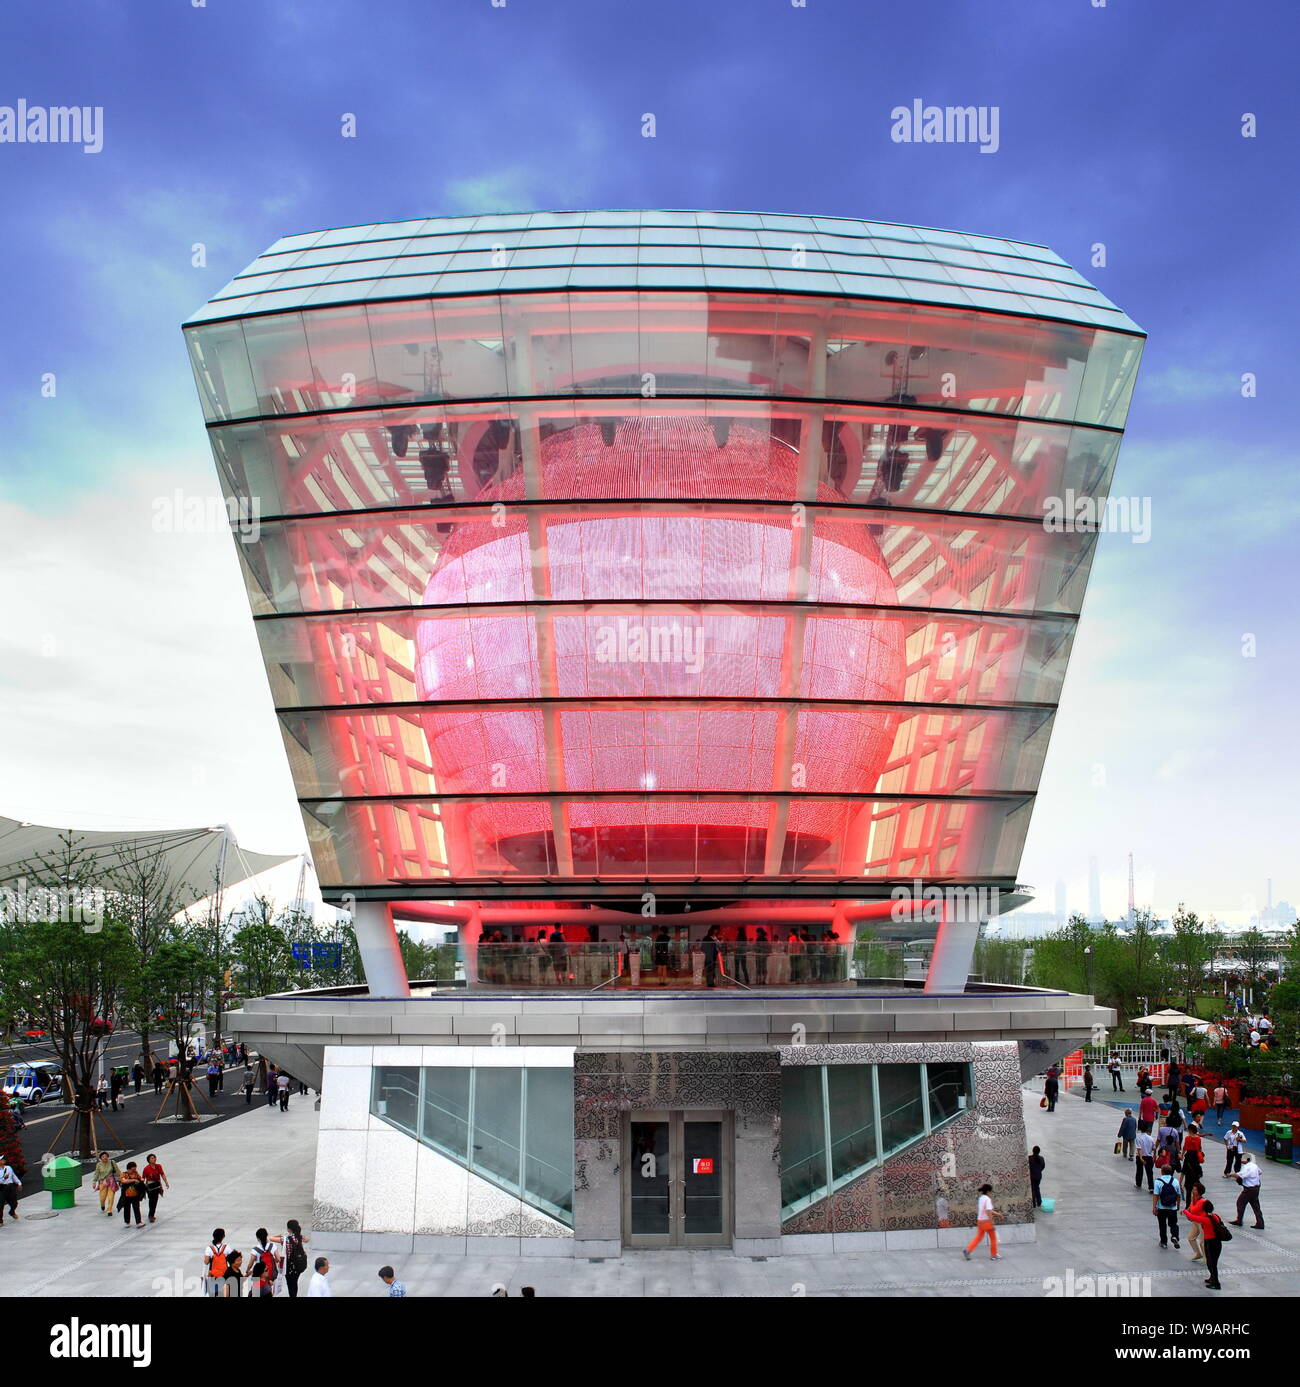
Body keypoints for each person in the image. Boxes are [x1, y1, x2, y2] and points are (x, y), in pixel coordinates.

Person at [1182, 1198, 1229, 1290]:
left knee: (1212, 1263)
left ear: (1203, 1209)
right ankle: (1212, 1278)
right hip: (1216, 1242)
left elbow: (1192, 1217)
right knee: (1211, 1262)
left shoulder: (1205, 1219)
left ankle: (1216, 1283)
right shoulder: (1215, 1216)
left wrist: (1184, 1211)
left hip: (1211, 1243)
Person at [962, 1184, 1000, 1260]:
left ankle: (968, 1250)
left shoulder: (981, 1198)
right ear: (988, 1191)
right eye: (991, 1191)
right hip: (987, 1222)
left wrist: (997, 1214)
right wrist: (992, 1223)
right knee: (993, 1239)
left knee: (978, 1237)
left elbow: (986, 1209)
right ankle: (993, 1255)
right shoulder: (988, 1199)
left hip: (980, 1221)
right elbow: (988, 1211)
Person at [1152, 1164, 1182, 1250]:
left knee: (1162, 1225)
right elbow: (1178, 1195)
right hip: (1172, 1207)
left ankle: (1164, 1242)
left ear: (1162, 1171)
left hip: (1162, 1207)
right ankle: (1174, 1236)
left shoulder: (1158, 1181)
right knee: (1173, 1224)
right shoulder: (1175, 1181)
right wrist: (1178, 1205)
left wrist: (1154, 1207)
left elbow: (1156, 1195)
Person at [1230, 1156, 1264, 1229]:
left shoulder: (1246, 1167)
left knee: (1240, 1203)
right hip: (1256, 1188)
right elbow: (1260, 1172)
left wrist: (1229, 1175)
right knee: (1256, 1206)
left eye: (1242, 1158)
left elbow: (1238, 1175)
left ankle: (1239, 1220)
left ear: (1246, 1160)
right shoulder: (1254, 1165)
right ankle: (1260, 1223)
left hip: (1249, 1189)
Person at [249, 1228, 281, 1297]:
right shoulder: (273, 1246)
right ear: (267, 1236)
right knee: (269, 1292)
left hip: (258, 1274)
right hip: (271, 1275)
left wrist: (247, 1270)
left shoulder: (255, 1250)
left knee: (256, 1293)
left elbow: (250, 1264)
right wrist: (272, 1261)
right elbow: (278, 1259)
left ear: (257, 1238)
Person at [283, 1219, 310, 1297]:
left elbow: (271, 1238)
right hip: (298, 1265)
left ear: (289, 1229)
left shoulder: (287, 1239)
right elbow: (307, 1240)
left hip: (290, 1266)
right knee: (294, 1283)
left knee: (290, 1284)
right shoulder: (299, 1237)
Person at [1184, 1181, 1208, 1261]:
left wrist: (1187, 1212)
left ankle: (1206, 1258)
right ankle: (1198, 1253)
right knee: (1190, 1238)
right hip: (1195, 1221)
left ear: (1199, 1192)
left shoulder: (1203, 1201)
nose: (1193, 1191)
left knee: (1202, 1242)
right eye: (1193, 1189)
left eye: (1195, 1190)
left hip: (1202, 1222)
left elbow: (1195, 1209)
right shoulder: (1193, 1198)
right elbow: (1191, 1207)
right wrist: (1187, 1210)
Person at [204, 1229, 232, 1297]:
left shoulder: (209, 1248)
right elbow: (232, 1260)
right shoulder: (227, 1247)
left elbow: (206, 1262)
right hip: (224, 1275)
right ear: (223, 1237)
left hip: (213, 1276)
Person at [142, 1153, 169, 1222]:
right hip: (150, 1186)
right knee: (151, 1200)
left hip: (157, 1185)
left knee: (155, 1200)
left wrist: (166, 1182)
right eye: (152, 1158)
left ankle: (152, 1214)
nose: (154, 1159)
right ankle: (151, 1215)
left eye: (154, 1157)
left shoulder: (158, 1166)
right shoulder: (146, 1168)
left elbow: (162, 1174)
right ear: (149, 1160)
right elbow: (143, 1178)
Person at [117, 1161, 145, 1227]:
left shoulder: (136, 1173)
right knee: (126, 1208)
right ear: (129, 1169)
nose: (134, 1170)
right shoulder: (123, 1174)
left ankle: (138, 1222)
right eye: (133, 1169)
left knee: (136, 1208)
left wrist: (141, 1180)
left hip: (135, 1194)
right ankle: (127, 1222)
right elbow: (123, 1181)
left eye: (135, 1169)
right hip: (126, 1195)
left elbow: (140, 1178)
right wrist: (134, 1180)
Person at [1181, 1125, 1204, 1201]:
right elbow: (1200, 1148)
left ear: (1190, 1130)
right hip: (1195, 1157)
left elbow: (1185, 1147)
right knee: (1195, 1170)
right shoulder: (1198, 1138)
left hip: (1189, 1156)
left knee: (1184, 1171)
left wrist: (1182, 1155)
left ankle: (1180, 1183)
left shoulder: (1187, 1138)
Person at [0, 1156, 22, 1223]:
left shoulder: (8, 1167)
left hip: (10, 1187)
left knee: (14, 1203)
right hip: (1, 1188)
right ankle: (0, 1221)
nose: (3, 1160)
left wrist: (19, 1183)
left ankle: (12, 1212)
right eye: (1, 1159)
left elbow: (13, 1176)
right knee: (0, 1205)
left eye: (3, 1159)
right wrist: (4, 1178)